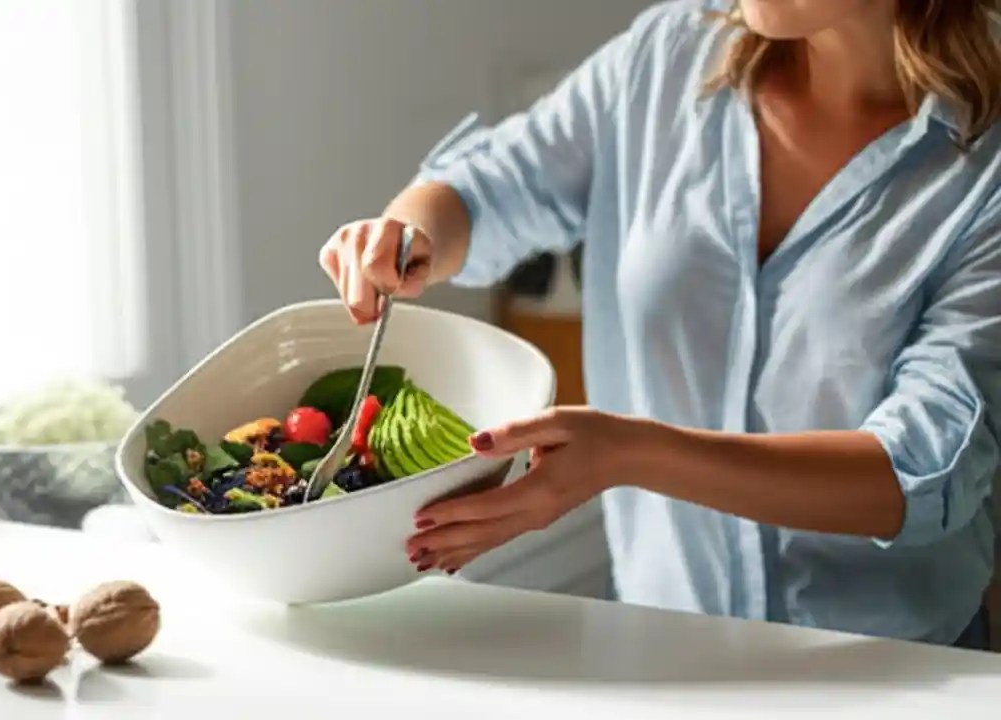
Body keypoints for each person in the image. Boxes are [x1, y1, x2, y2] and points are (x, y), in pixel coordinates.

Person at [317, 0, 1001, 650]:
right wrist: (406, 233)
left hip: (899, 676)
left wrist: (628, 453)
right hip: (665, 655)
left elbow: (922, 471)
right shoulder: (668, 55)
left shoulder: (985, 169)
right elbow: (487, 190)